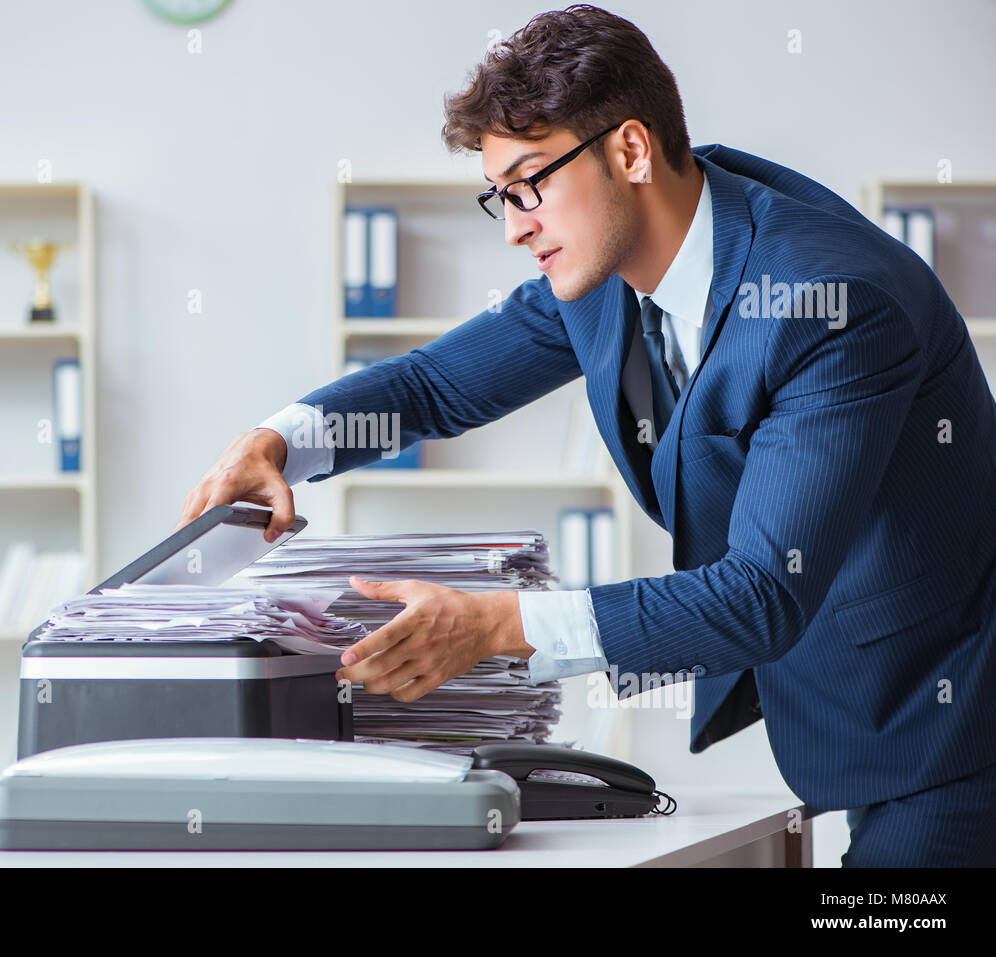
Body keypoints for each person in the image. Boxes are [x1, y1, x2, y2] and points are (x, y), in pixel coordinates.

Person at [176, 5, 996, 866]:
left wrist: (497, 626)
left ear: (631, 151)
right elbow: (433, 383)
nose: (513, 225)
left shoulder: (826, 303)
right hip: (847, 717)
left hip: (953, 736)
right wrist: (276, 439)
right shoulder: (609, 270)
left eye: (530, 183)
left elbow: (762, 592)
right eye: (500, 194)